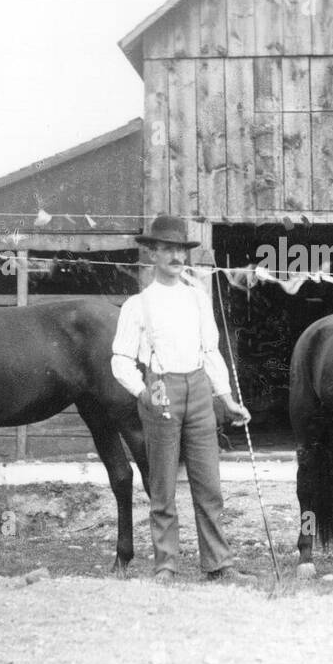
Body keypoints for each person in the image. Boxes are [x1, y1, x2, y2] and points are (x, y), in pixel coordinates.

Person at [111, 215, 256, 585]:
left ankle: (218, 564)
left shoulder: (197, 297)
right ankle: (165, 565)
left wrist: (226, 397)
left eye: (180, 248)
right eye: (167, 249)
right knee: (162, 485)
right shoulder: (138, 305)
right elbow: (121, 361)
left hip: (199, 392)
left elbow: (211, 351)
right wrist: (143, 392)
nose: (176, 256)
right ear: (153, 254)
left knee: (209, 484)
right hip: (161, 391)